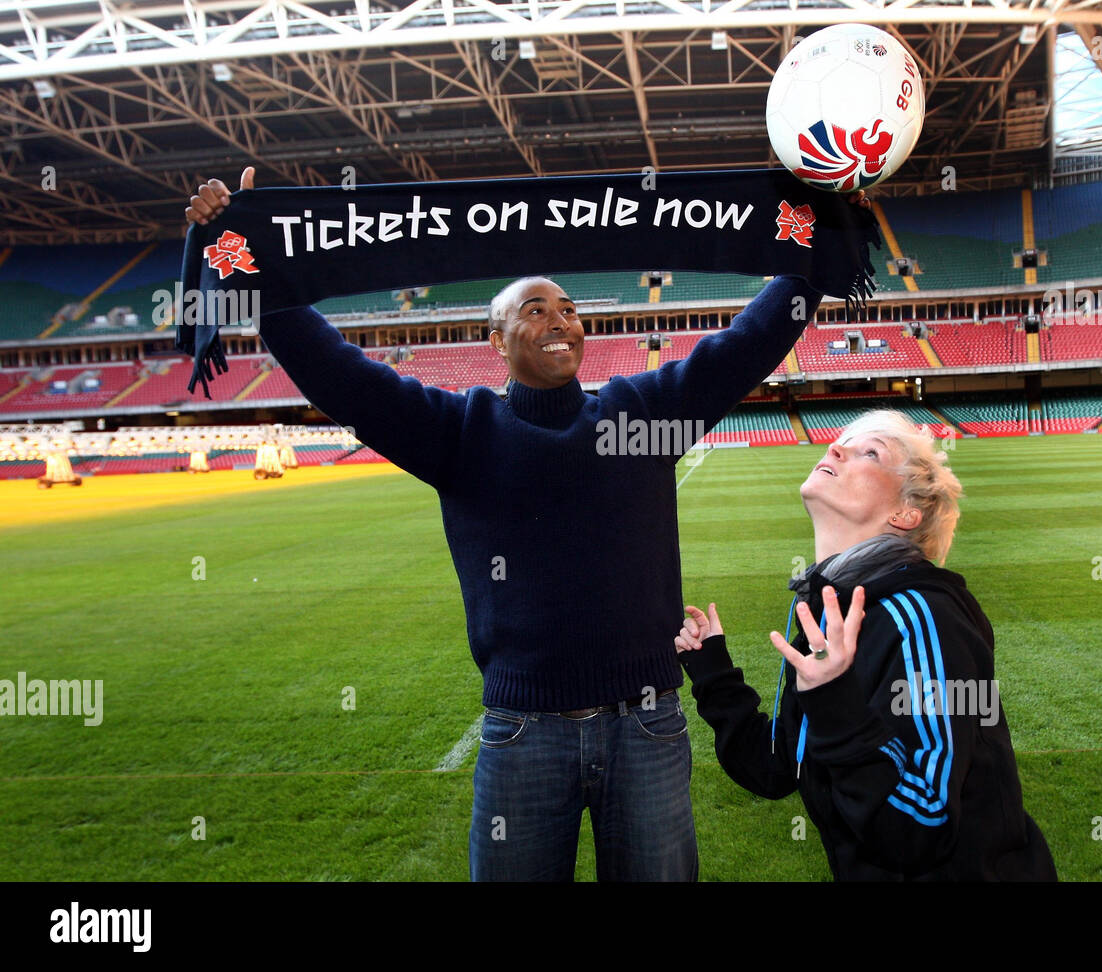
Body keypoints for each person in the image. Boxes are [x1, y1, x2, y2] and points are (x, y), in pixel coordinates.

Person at [185, 167, 871, 882]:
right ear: (495, 340)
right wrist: (242, 246)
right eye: (535, 310)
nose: (559, 321)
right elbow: (338, 374)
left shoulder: (641, 416)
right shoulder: (458, 431)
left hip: (647, 724)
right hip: (523, 734)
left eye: (568, 309)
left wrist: (824, 241)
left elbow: (750, 342)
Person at [675, 409, 1056, 880]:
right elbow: (773, 769)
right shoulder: (827, 610)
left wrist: (836, 704)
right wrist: (712, 668)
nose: (834, 449)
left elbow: (924, 825)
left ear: (904, 512)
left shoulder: (924, 615)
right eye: (841, 443)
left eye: (869, 452)